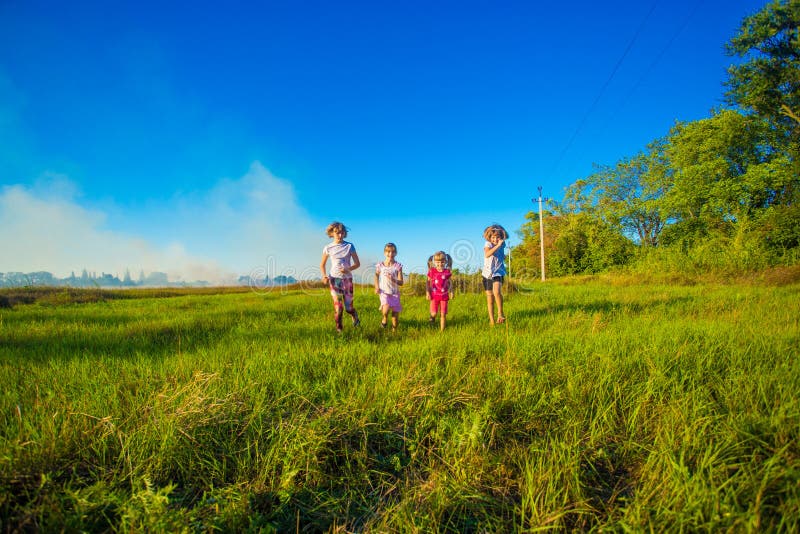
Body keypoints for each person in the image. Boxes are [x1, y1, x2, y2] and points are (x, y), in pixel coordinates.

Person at [319, 221, 361, 332]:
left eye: (342, 233)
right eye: (337, 232)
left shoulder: (349, 246)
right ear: (332, 233)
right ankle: (339, 331)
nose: (340, 235)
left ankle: (354, 316)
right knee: (339, 308)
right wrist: (324, 276)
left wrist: (347, 269)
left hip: (347, 279)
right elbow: (322, 265)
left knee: (348, 308)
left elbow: (357, 264)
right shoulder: (328, 248)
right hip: (334, 279)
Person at [374, 242, 404, 331]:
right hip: (384, 292)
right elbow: (376, 275)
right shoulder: (380, 265)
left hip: (394, 293)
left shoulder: (398, 266)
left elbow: (401, 282)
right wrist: (376, 286)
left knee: (394, 316)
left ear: (396, 253)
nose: (390, 254)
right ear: (384, 252)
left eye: (393, 252)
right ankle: (384, 319)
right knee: (386, 310)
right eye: (388, 251)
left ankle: (394, 330)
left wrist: (393, 279)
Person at [482, 224, 507, 325]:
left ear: (501, 237)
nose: (495, 239)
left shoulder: (503, 244)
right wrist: (497, 246)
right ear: (489, 237)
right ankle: (492, 321)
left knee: (496, 292)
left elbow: (506, 235)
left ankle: (500, 313)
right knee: (490, 298)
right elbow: (487, 254)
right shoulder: (488, 244)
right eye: (493, 237)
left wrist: (500, 230)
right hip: (487, 274)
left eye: (497, 237)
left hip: (498, 272)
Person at [426, 250, 453, 331]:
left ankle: (442, 331)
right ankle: (432, 317)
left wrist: (451, 291)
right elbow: (427, 282)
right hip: (434, 296)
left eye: (442, 262)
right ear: (434, 262)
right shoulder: (432, 271)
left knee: (443, 314)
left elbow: (450, 282)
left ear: (445, 262)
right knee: (434, 313)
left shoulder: (447, 272)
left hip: (444, 296)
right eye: (438, 262)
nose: (440, 264)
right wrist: (427, 292)